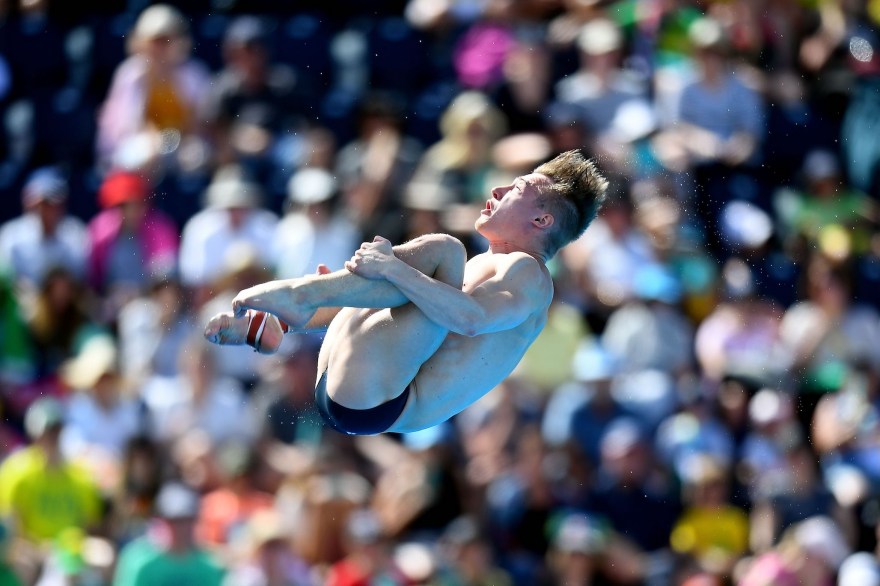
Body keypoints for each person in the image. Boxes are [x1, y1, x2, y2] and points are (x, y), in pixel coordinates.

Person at [205, 148, 607, 435]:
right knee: (417, 283)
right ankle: (281, 323)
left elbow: (470, 320)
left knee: (444, 252)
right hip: (357, 392)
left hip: (382, 400)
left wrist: (390, 267)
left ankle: (301, 296)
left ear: (542, 219)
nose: (499, 189)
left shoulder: (529, 274)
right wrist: (359, 286)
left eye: (517, 187)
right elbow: (413, 312)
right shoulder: (486, 266)